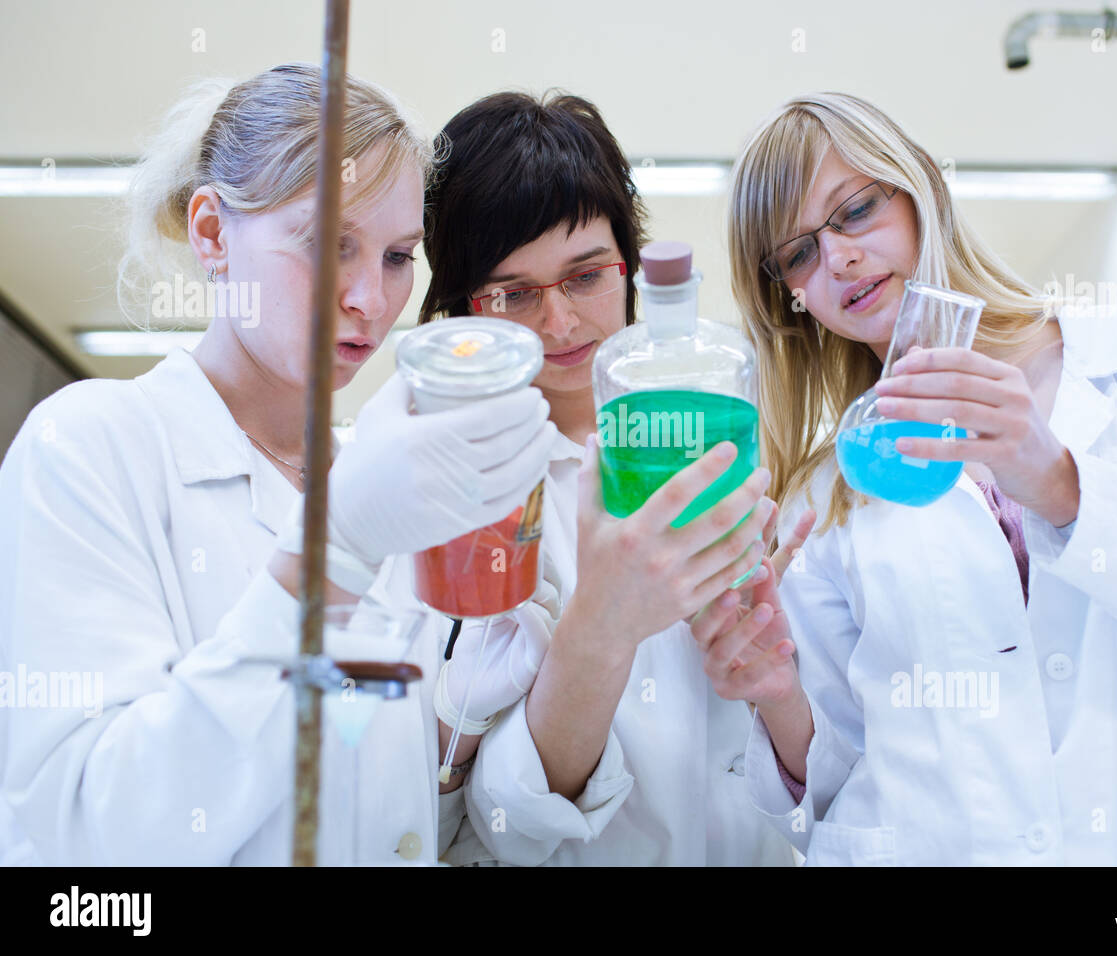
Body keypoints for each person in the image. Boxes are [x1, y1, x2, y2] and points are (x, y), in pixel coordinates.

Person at [694, 91, 1117, 865]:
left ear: (921, 194)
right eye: (799, 256)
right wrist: (777, 692)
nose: (838, 258)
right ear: (795, 298)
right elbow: (831, 789)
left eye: (853, 213)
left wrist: (1063, 487)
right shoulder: (828, 497)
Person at [0, 64, 553, 865]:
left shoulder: (373, 479)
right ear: (213, 233)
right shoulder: (89, 448)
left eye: (399, 255)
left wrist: (450, 737)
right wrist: (332, 557)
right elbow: (92, 836)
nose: (370, 296)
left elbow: (369, 825)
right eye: (331, 244)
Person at [419, 91, 812, 865]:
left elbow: (833, 769)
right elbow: (485, 828)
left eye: (585, 276)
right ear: (465, 309)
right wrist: (598, 631)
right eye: (514, 294)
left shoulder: (732, 421)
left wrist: (777, 677)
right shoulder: (454, 495)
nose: (559, 323)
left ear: (631, 265)